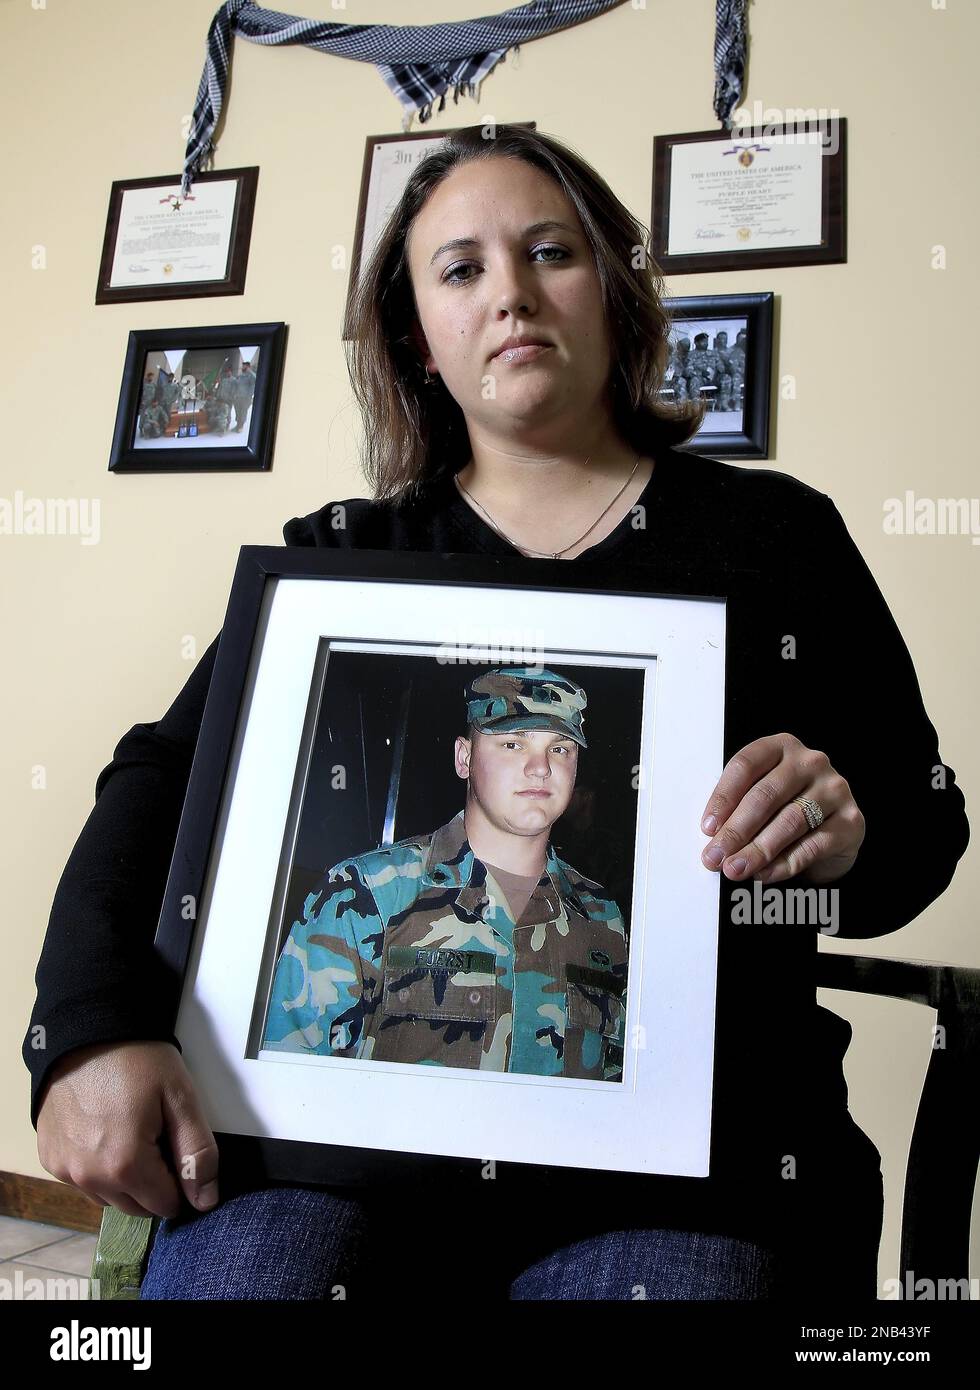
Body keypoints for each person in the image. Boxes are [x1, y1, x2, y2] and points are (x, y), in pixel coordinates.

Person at [25, 124, 969, 1302]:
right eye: (460, 269)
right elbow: (159, 782)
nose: (511, 294)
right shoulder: (345, 560)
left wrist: (850, 832)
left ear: (615, 292)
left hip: (689, 1172)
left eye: (549, 252)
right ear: (417, 335)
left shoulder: (776, 538)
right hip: (335, 1165)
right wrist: (84, 1030)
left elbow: (922, 837)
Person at [262, 666, 628, 1081]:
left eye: (560, 749)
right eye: (512, 743)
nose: (540, 767)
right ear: (464, 757)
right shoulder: (366, 896)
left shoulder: (603, 920)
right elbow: (289, 1082)